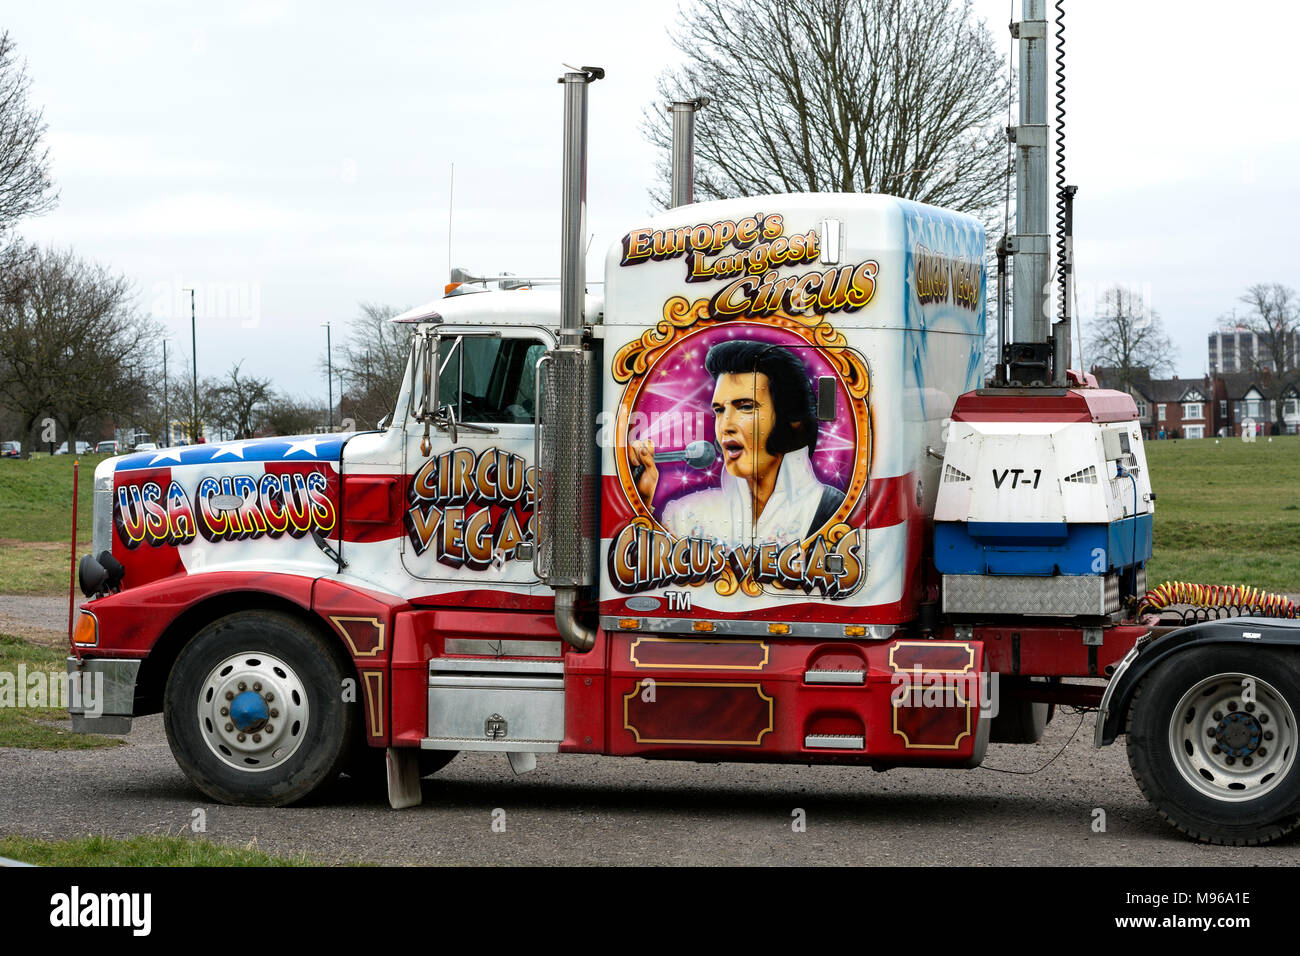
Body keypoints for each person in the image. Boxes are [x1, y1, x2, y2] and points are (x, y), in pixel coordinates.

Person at [628, 339, 844, 547]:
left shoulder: (832, 510)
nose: (725, 425)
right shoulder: (684, 516)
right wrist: (641, 501)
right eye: (720, 410)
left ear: (791, 420)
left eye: (746, 407)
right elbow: (639, 575)